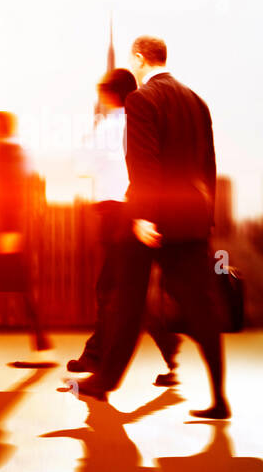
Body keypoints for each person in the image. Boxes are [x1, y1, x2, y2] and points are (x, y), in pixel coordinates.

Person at [65, 36, 230, 420]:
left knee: (127, 297)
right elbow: (209, 163)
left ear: (140, 58)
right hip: (191, 217)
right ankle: (219, 397)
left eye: (133, 60)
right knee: (201, 307)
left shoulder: (142, 99)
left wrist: (142, 215)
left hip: (151, 217)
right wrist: (209, 215)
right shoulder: (196, 100)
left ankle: (105, 380)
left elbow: (144, 161)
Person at [69, 68, 182, 386]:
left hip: (116, 213)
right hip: (140, 210)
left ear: (111, 94)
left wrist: (90, 135)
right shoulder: (143, 121)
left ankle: (100, 356)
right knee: (124, 287)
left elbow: (82, 167)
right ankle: (104, 352)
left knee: (113, 289)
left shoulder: (109, 125)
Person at [0, 111, 52, 354]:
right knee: (19, 282)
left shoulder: (4, 150)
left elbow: (5, 188)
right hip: (7, 223)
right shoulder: (10, 149)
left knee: (19, 282)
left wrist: (6, 230)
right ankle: (40, 338)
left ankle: (41, 337)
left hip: (6, 223)